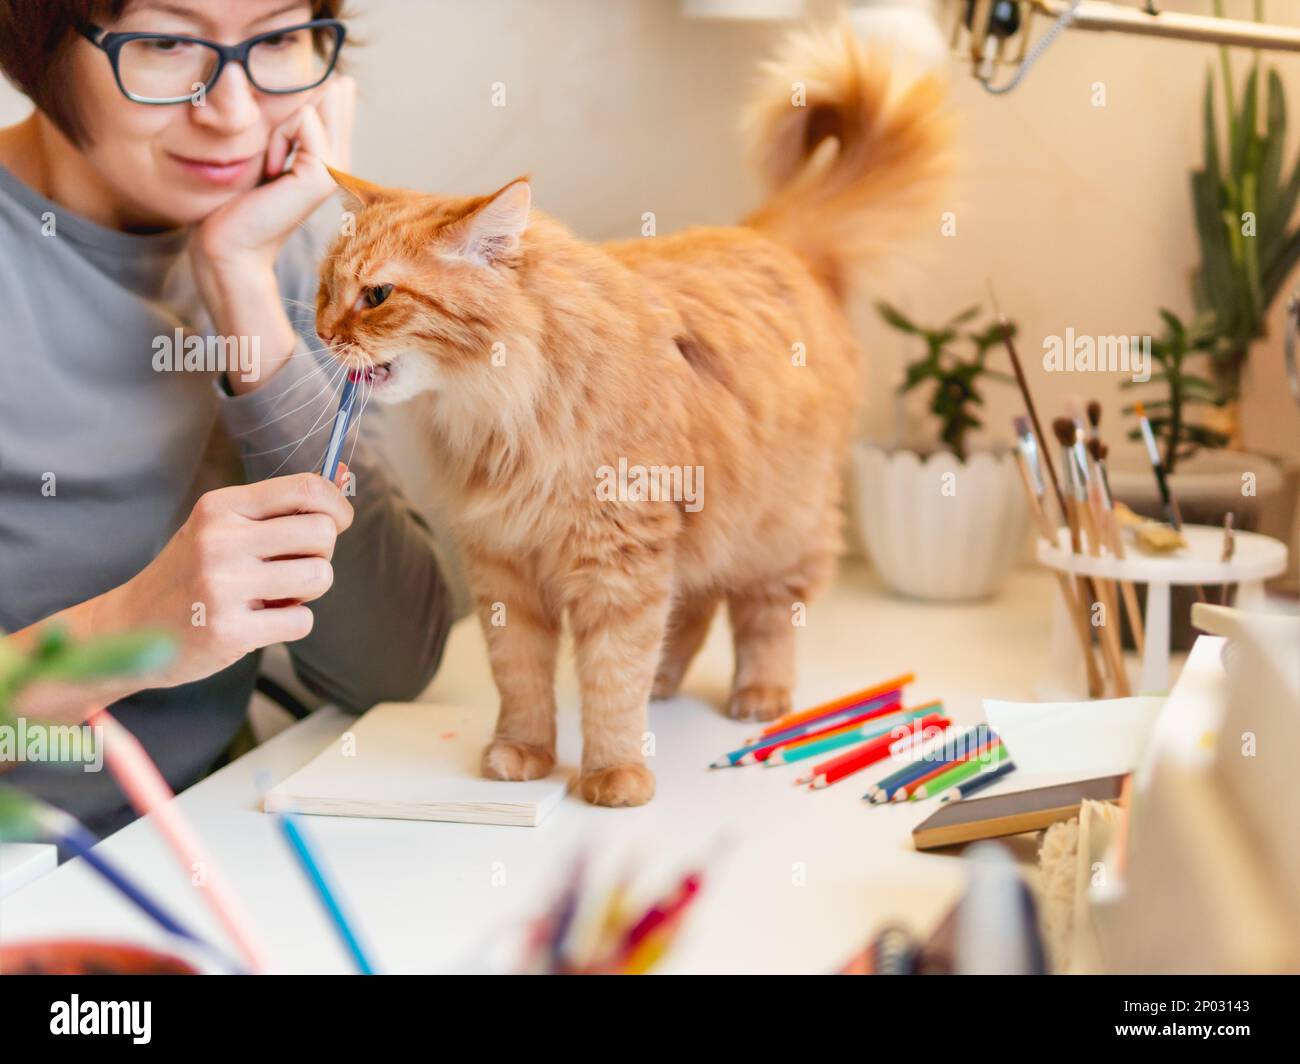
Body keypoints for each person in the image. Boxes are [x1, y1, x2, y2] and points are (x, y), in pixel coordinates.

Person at [0, 0, 456, 836]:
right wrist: (131, 627)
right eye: (168, 44)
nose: (235, 115)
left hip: (209, 846)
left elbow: (386, 665)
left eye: (279, 38)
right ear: (37, 44)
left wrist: (242, 279)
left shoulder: (286, 235)